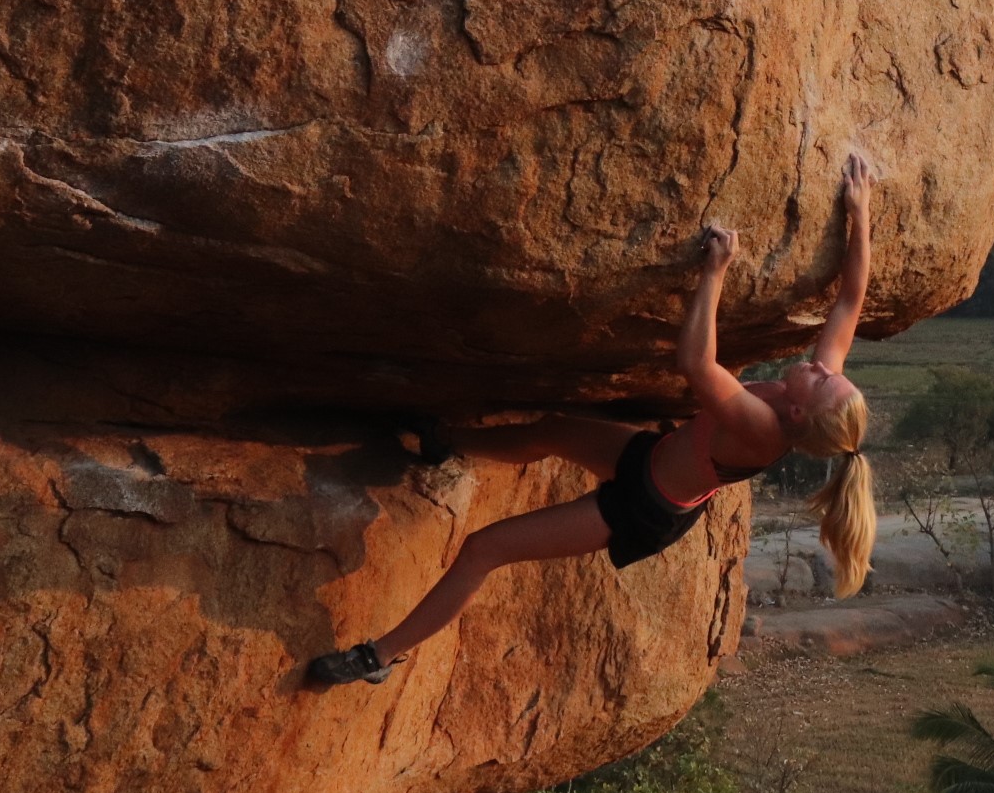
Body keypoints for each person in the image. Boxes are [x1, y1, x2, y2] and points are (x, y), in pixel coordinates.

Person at [306, 153, 878, 687]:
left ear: (801, 412)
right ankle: (443, 439)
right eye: (834, 374)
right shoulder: (807, 396)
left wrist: (715, 272)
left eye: (827, 379)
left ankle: (377, 657)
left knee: (484, 548)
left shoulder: (763, 427)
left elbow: (695, 363)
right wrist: (860, 212)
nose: (826, 368)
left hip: (641, 508)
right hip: (649, 460)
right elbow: (851, 299)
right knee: (550, 430)